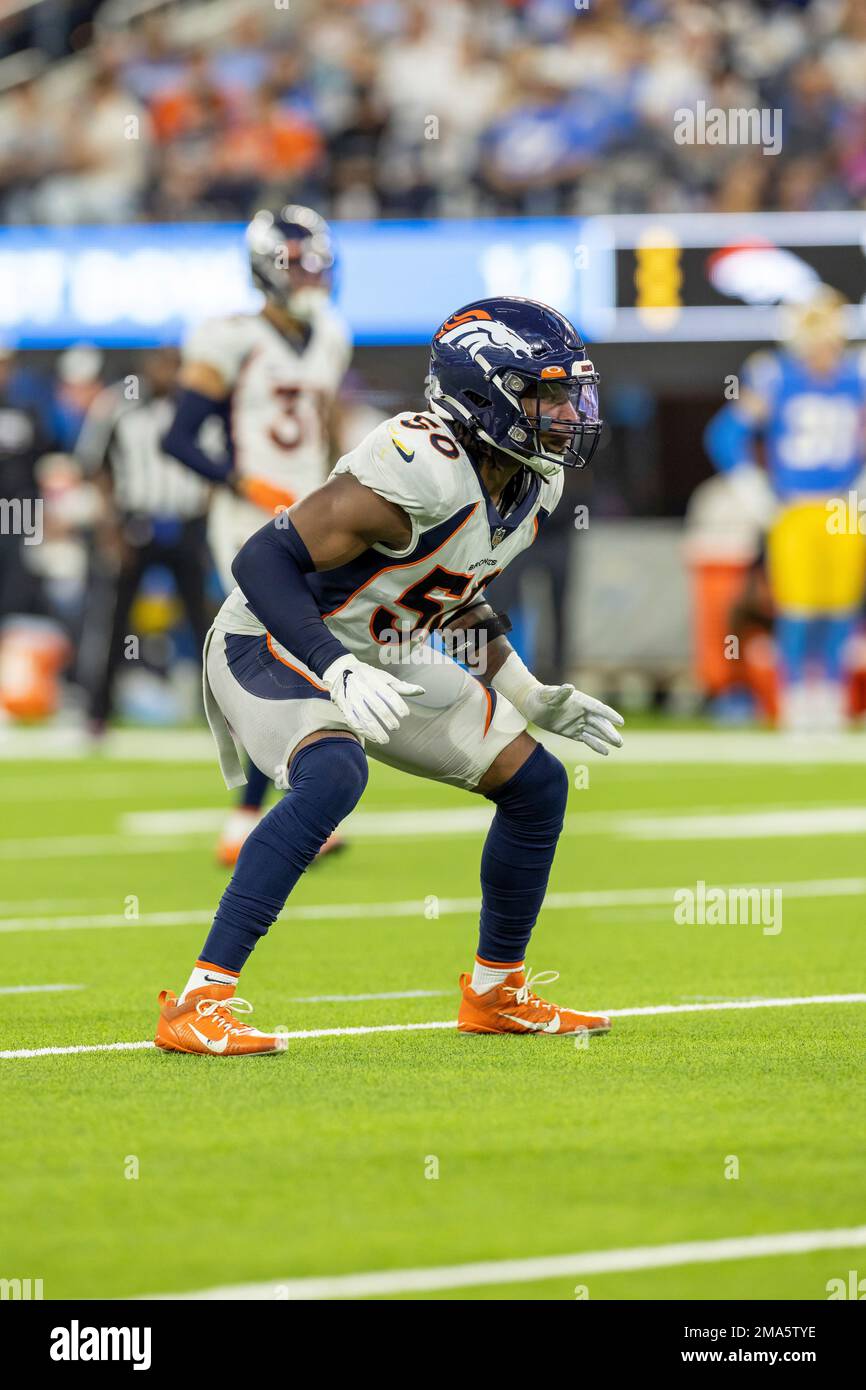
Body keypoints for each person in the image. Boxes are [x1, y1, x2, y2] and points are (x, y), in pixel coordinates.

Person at [154, 296, 624, 1057]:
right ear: (483, 393)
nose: (567, 413)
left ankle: (496, 991)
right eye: (545, 393)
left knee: (536, 785)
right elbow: (262, 560)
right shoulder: (421, 464)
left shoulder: (534, 487)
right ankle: (200, 1001)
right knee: (334, 773)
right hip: (268, 638)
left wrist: (527, 691)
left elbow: (450, 596)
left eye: (571, 393)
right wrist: (334, 667)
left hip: (381, 651)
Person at [162, 203, 352, 863]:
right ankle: (251, 818)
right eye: (300, 263)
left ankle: (286, 807)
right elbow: (178, 439)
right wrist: (245, 483)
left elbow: (326, 425)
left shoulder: (330, 333)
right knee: (281, 652)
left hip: (310, 517)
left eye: (317, 263)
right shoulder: (229, 338)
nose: (313, 276)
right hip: (250, 520)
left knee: (306, 657)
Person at [704, 286, 866, 731]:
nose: (821, 349)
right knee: (797, 607)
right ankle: (795, 699)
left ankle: (831, 698)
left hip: (844, 506)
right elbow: (723, 435)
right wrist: (753, 486)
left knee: (841, 607)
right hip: (794, 507)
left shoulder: (858, 376)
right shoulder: (775, 377)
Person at [76, 348, 212, 731]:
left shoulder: (198, 407)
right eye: (161, 365)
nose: (167, 373)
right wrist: (111, 529)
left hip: (186, 523)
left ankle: (225, 712)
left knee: (205, 622)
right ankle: (98, 712)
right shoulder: (118, 404)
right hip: (136, 524)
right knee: (115, 620)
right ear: (145, 368)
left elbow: (216, 467)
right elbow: (96, 467)